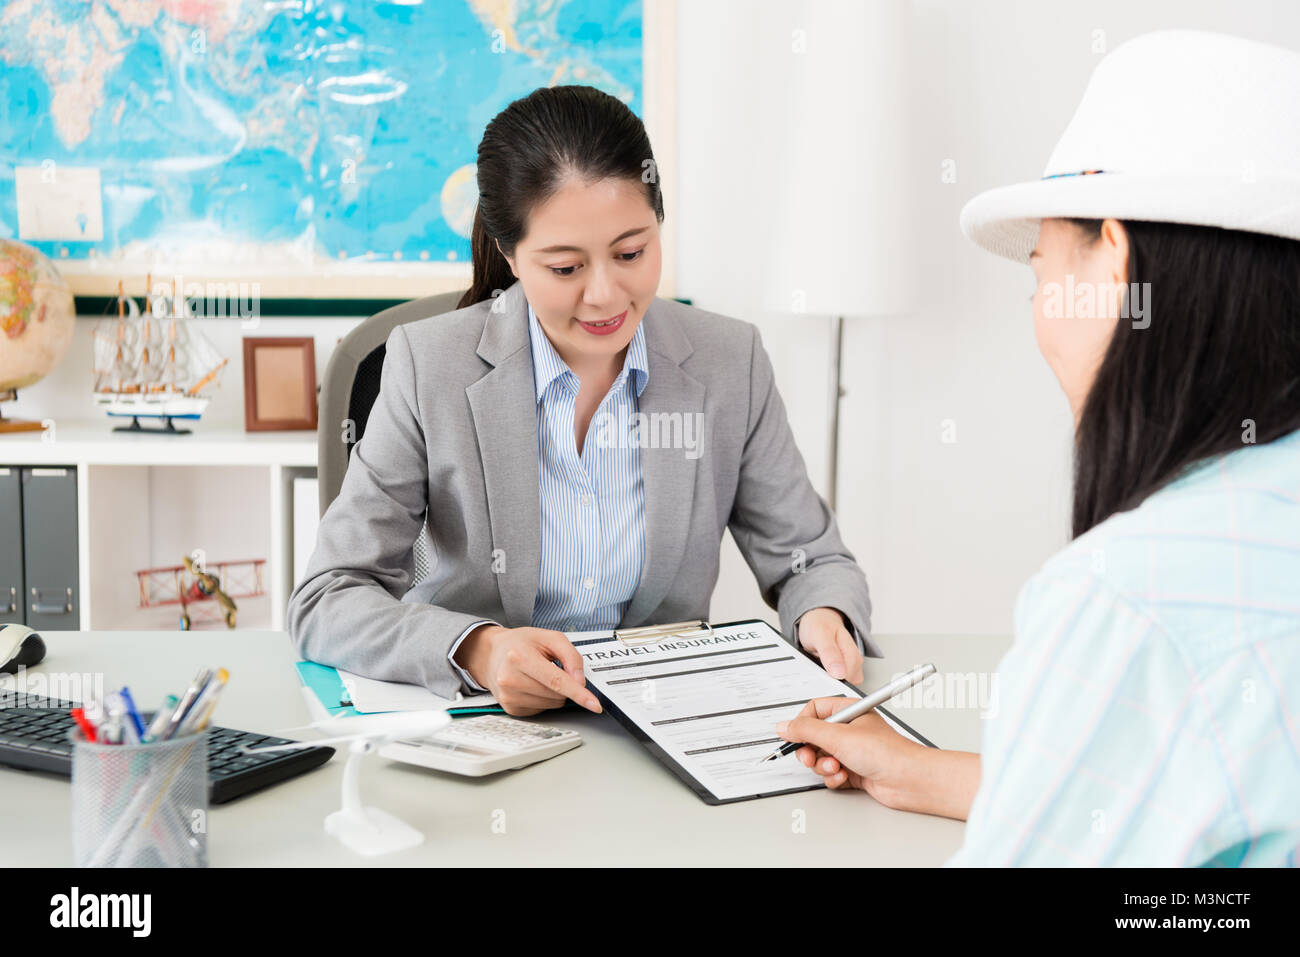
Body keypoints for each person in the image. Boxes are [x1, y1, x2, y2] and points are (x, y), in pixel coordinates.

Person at [776, 29, 1300, 865]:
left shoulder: (1130, 599)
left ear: (1116, 261)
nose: (1038, 314)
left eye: (1041, 271)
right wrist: (927, 771)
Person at [288, 85, 873, 715]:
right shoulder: (427, 365)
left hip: (662, 724)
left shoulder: (732, 362)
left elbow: (811, 560)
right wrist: (478, 648)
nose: (605, 295)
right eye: (566, 268)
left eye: (631, 253)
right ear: (510, 255)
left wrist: (822, 612)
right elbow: (329, 597)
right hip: (482, 727)